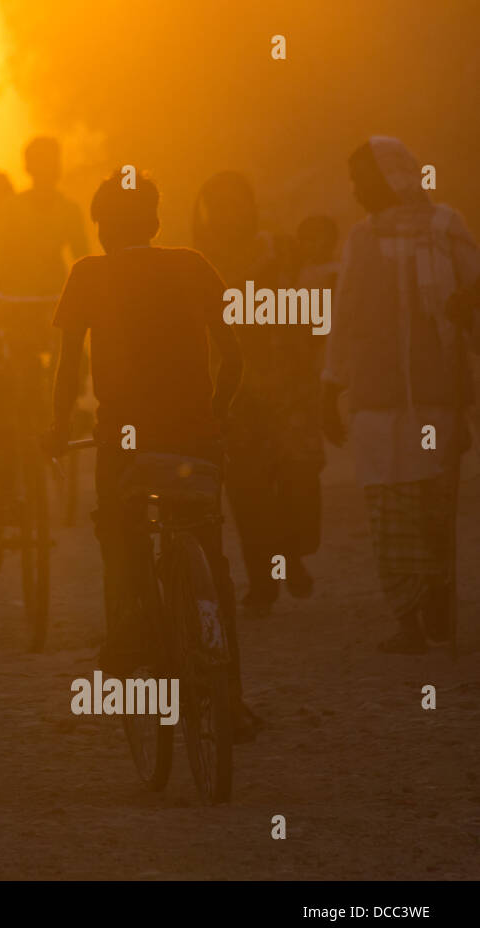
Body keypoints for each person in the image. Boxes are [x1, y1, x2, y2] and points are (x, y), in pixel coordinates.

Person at [47, 168, 258, 739]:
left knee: (119, 534)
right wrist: (216, 412)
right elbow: (232, 357)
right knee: (211, 560)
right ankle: (231, 699)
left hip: (126, 441)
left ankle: (131, 634)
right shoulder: (193, 265)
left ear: (101, 229)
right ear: (157, 221)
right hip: (196, 439)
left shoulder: (86, 275)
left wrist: (56, 427)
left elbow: (70, 370)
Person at [321, 136, 480, 653]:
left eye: (361, 179)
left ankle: (433, 600)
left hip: (437, 396)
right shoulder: (360, 240)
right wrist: (331, 387)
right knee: (388, 508)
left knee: (433, 505)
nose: (356, 190)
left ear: (390, 178)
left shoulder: (445, 228)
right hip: (376, 400)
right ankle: (408, 618)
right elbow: (344, 318)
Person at [194, 172, 324, 614]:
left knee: (296, 480)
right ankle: (265, 583)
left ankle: (291, 554)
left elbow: (315, 305)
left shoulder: (281, 250)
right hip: (233, 390)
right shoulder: (197, 262)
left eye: (235, 204)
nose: (227, 214)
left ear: (250, 207)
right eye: (218, 206)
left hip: (287, 385)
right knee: (248, 492)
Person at [0, 136, 90, 356]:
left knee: (60, 362)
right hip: (18, 299)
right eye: (43, 161)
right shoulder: (11, 207)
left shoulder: (69, 210)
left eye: (52, 161)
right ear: (28, 167)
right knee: (26, 365)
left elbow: (82, 259)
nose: (49, 167)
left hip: (55, 297)